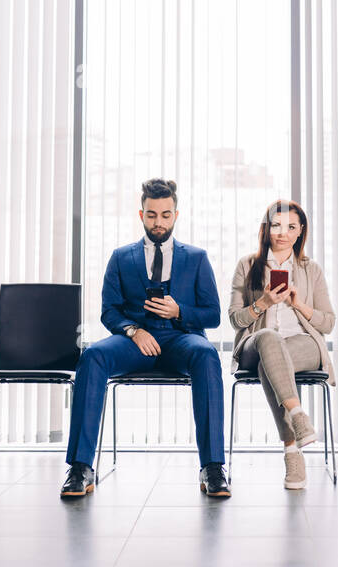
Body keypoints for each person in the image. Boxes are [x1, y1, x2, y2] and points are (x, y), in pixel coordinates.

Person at [61, 178, 228, 498]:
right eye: (152, 215)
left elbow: (213, 314)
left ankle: (213, 467)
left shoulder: (196, 258)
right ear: (141, 215)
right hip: (134, 342)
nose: (159, 222)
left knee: (207, 355)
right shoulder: (121, 257)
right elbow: (109, 311)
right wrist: (134, 331)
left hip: (181, 339)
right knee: (93, 355)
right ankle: (81, 467)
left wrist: (179, 311)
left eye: (166, 215)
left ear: (176, 215)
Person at [228, 200, 335, 490]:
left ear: (300, 231)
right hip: (256, 342)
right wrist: (263, 302)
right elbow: (236, 321)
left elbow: (327, 323)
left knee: (271, 362)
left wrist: (298, 304)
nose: (283, 233)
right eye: (276, 225)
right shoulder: (247, 265)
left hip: (303, 344)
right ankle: (299, 417)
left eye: (291, 226)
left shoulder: (310, 269)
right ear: (266, 228)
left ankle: (292, 451)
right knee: (269, 340)